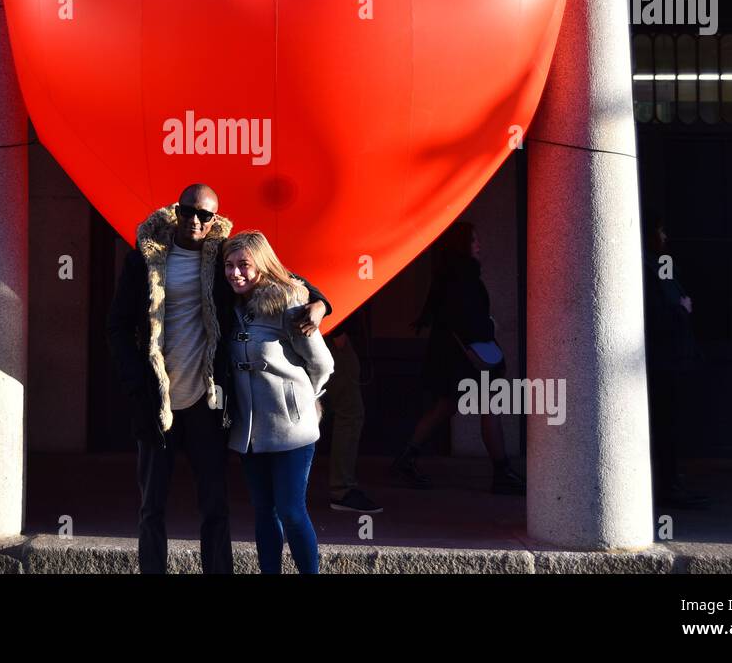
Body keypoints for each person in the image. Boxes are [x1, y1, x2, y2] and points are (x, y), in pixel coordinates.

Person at [106, 183, 330, 574]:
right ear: (176, 211)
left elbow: (280, 276)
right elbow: (118, 326)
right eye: (188, 211)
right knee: (151, 506)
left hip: (206, 403)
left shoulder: (222, 257)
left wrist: (320, 302)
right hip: (156, 403)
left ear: (214, 221)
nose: (195, 220)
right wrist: (135, 384)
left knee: (215, 505)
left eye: (205, 215)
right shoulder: (144, 259)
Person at [222, 230, 335, 574]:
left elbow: (323, 364)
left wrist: (300, 400)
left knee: (290, 509)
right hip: (249, 433)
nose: (235, 273)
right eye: (229, 265)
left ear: (263, 266)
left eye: (244, 265)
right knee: (263, 511)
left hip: (292, 431)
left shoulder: (288, 302)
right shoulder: (228, 307)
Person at [391, 220, 525, 495]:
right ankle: (501, 471)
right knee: (488, 407)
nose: (479, 245)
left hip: (450, 356)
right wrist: (490, 327)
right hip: (465, 356)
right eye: (473, 240)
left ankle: (407, 458)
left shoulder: (448, 275)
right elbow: (468, 321)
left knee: (447, 405)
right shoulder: (464, 277)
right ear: (462, 245)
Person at [641, 212, 709, 509]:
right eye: (660, 231)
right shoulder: (647, 266)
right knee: (666, 425)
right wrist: (682, 309)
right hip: (664, 359)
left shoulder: (659, 265)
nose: (665, 237)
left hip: (672, 358)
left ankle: (671, 482)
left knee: (670, 425)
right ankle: (668, 485)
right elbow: (658, 314)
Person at [323, 307, 383, 514]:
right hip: (329, 331)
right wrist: (338, 331)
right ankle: (342, 489)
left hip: (323, 330)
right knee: (349, 411)